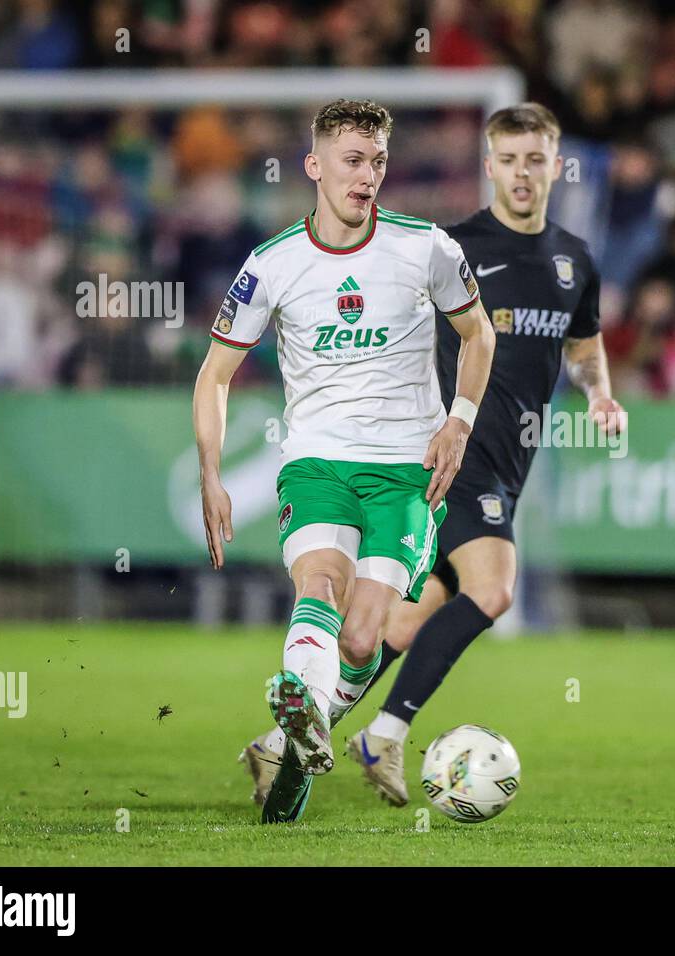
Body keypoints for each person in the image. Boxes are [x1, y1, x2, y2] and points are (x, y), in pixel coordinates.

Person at [196, 98, 495, 823]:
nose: (368, 177)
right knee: (322, 585)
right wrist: (210, 470)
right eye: (354, 161)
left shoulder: (427, 247)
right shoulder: (271, 264)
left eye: (379, 162)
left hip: (406, 473)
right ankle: (300, 709)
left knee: (365, 635)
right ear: (316, 166)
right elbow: (214, 374)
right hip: (317, 464)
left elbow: (479, 337)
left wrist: (459, 422)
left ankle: (297, 739)